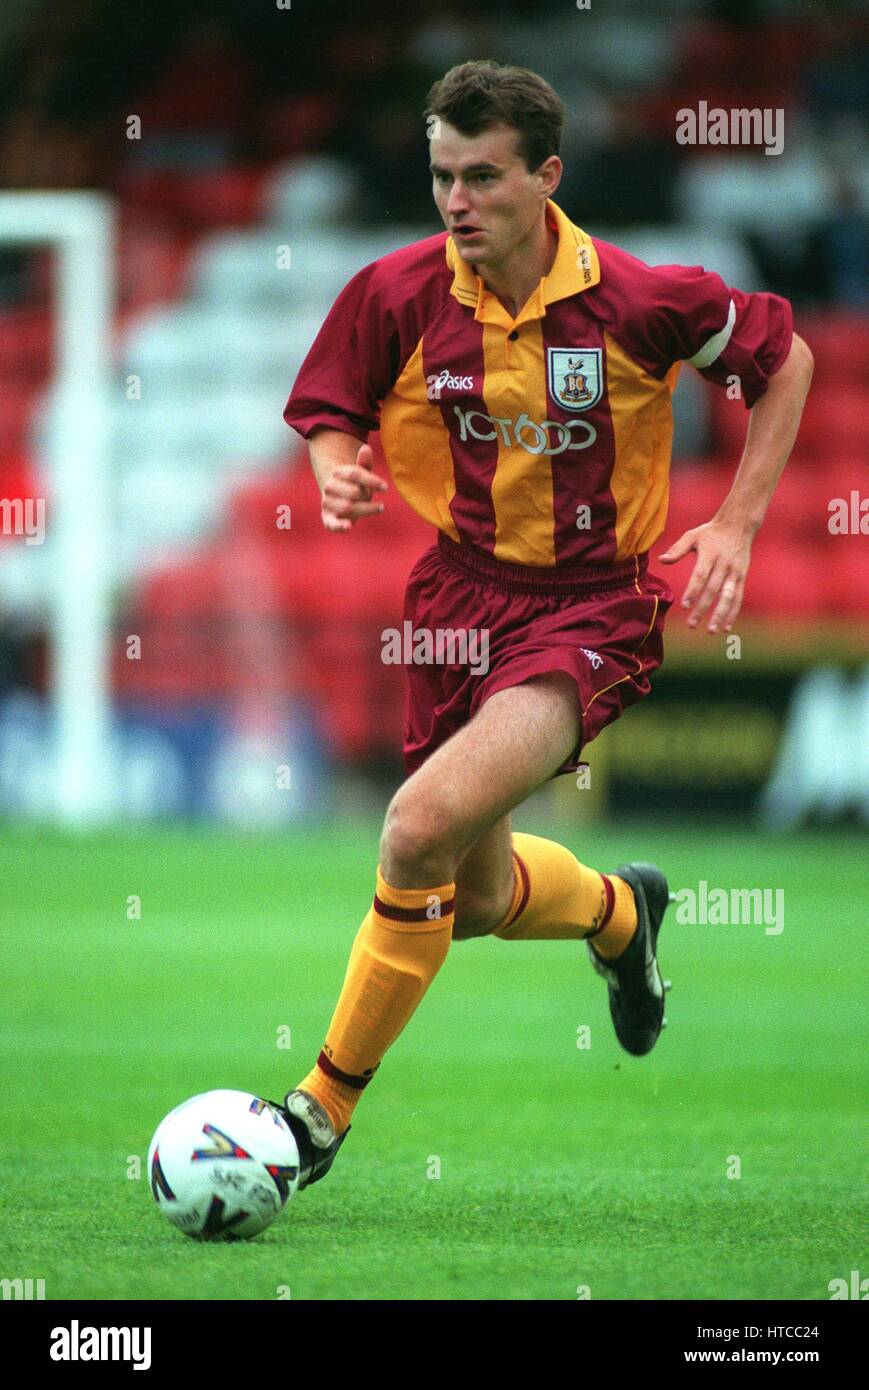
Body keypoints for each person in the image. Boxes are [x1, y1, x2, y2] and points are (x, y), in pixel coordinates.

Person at [276, 60, 813, 1188]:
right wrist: (334, 469)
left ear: (546, 176)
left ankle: (314, 1113)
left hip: (590, 610)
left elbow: (784, 359)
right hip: (456, 599)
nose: (455, 202)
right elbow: (331, 398)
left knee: (414, 826)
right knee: (466, 900)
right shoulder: (401, 292)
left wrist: (738, 524)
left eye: (481, 177)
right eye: (439, 176)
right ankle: (619, 914)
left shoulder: (634, 299)